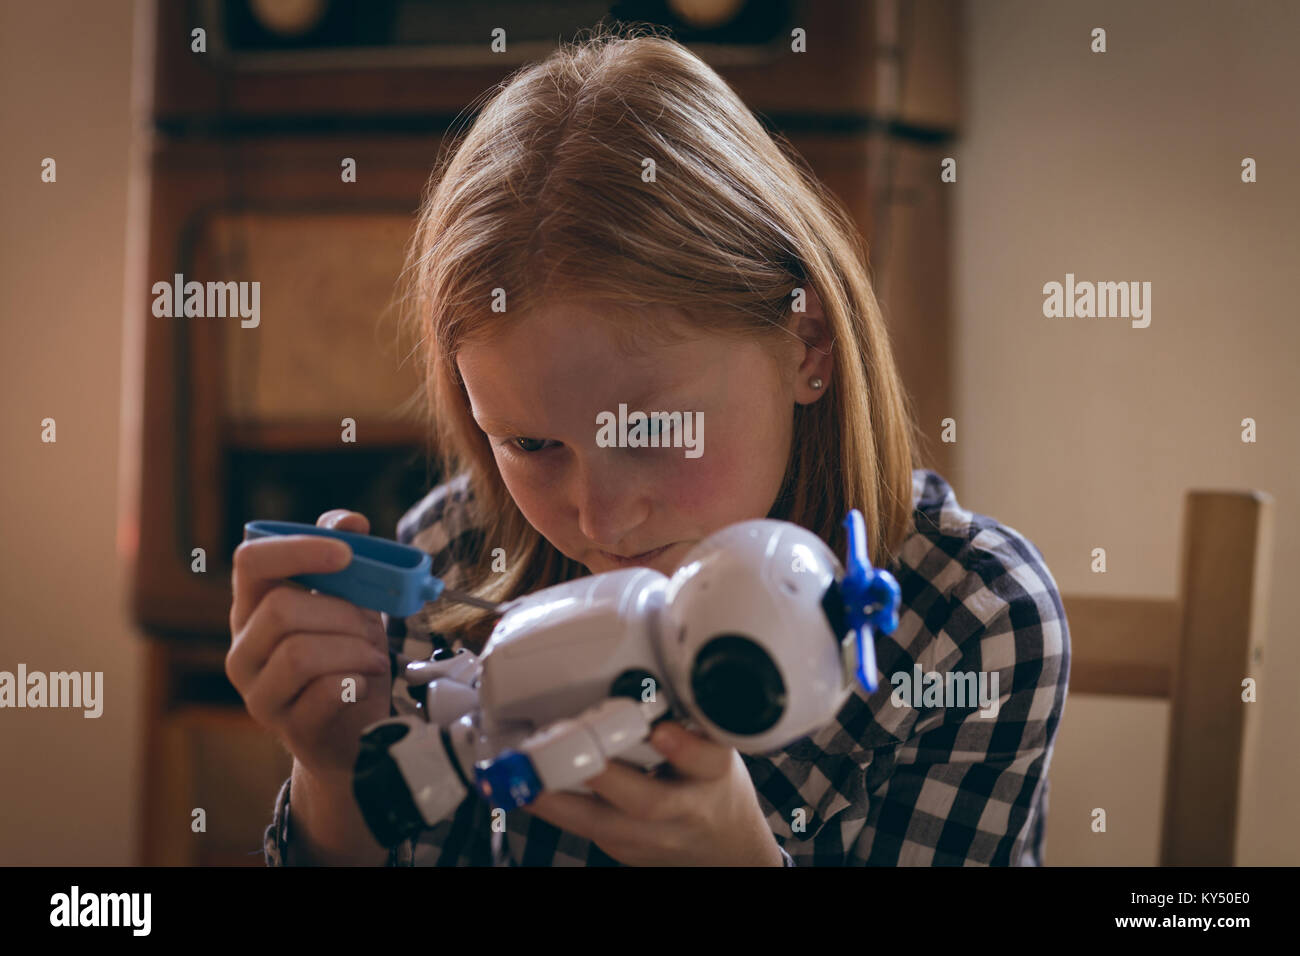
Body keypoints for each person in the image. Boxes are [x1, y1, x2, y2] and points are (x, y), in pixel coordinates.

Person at [228, 24, 1069, 866]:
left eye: (652, 430)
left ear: (807, 343)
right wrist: (335, 777)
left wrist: (737, 855)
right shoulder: (448, 561)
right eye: (529, 442)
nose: (601, 516)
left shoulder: (971, 628)